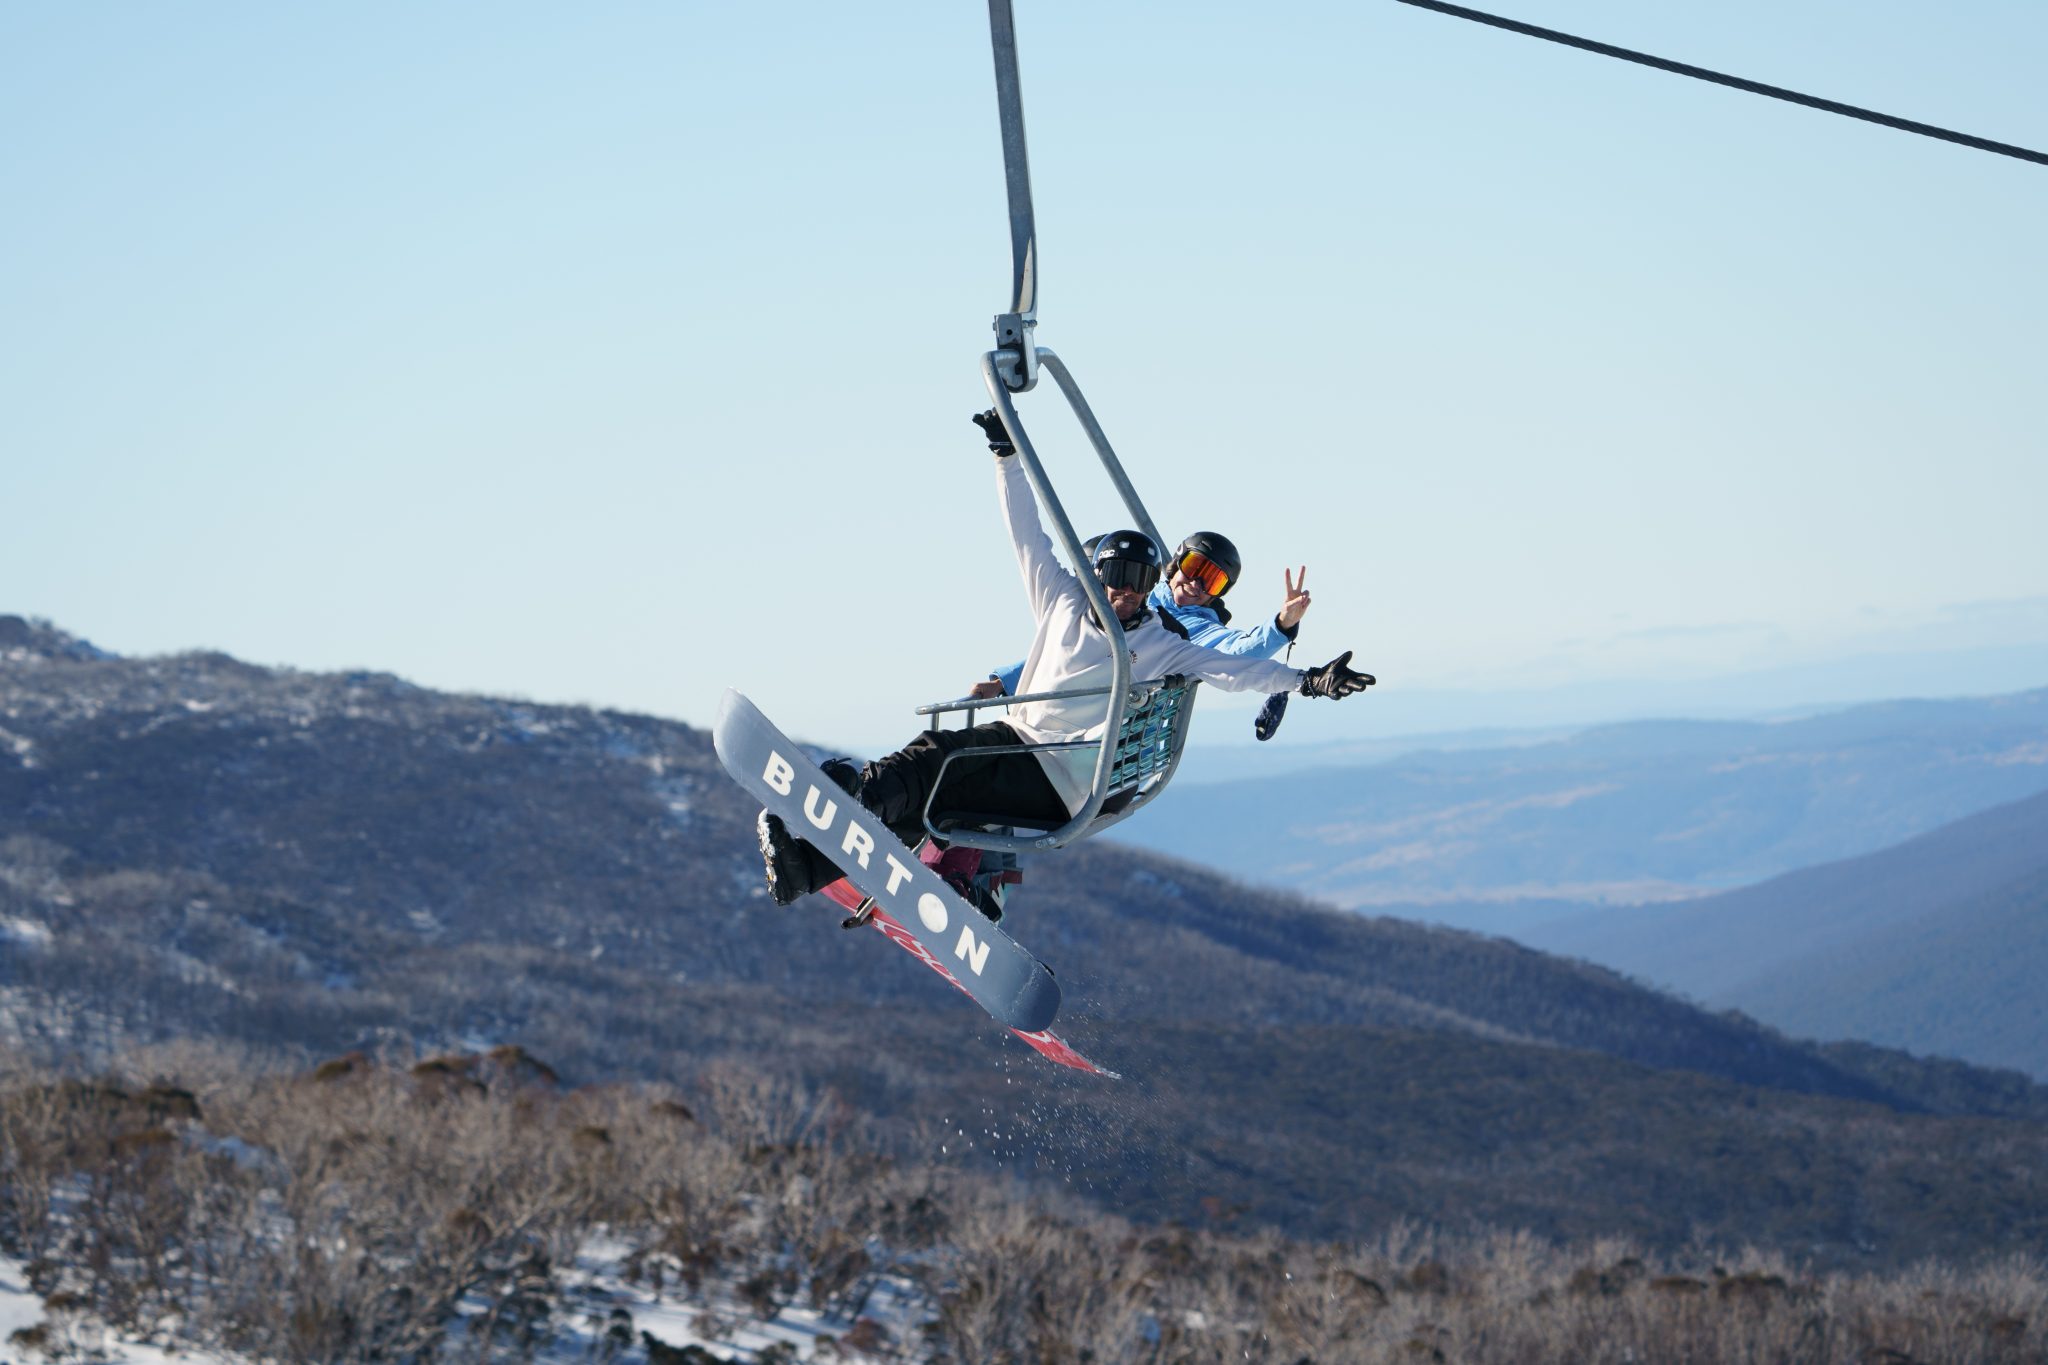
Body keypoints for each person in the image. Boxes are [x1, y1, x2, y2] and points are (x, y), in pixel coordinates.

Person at [754, 413, 1374, 909]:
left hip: (1059, 778)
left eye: (1137, 577)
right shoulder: (1060, 596)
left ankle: (856, 809)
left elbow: (1235, 668)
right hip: (1021, 742)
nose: (1125, 590)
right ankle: (808, 865)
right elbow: (1027, 531)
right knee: (932, 774)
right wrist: (1007, 458)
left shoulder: (1158, 642)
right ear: (1097, 574)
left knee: (941, 762)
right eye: (1115, 576)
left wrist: (1309, 678)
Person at [972, 528, 1311, 699]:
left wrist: (1282, 625)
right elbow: (1069, 646)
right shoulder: (1139, 587)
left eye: (1212, 580)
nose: (1195, 583)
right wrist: (1003, 681)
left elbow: (1240, 653)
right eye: (1193, 567)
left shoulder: (1193, 630)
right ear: (1175, 563)